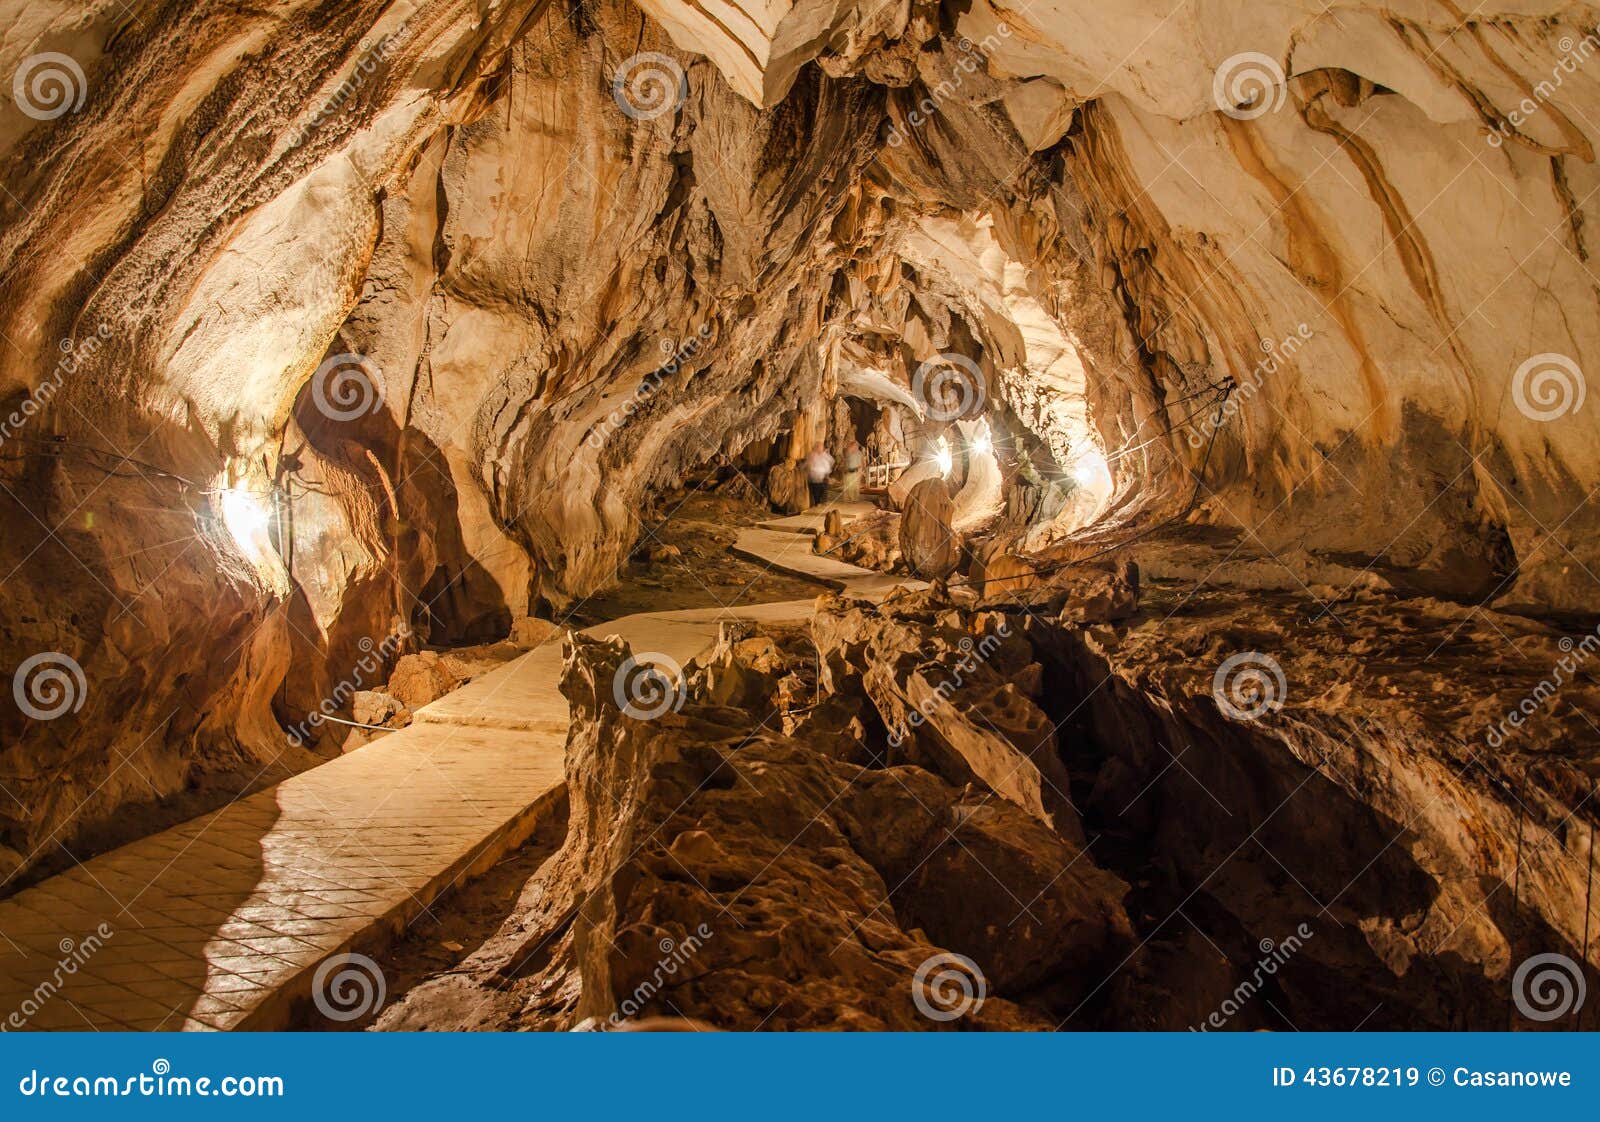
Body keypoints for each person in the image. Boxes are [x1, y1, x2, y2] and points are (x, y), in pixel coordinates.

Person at [804, 442, 834, 507]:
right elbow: (807, 464)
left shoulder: (825, 455)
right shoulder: (812, 455)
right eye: (818, 447)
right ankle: (817, 502)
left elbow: (831, 461)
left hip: (824, 476)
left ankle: (823, 501)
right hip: (815, 477)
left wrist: (828, 470)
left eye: (820, 447)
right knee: (816, 490)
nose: (819, 448)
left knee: (824, 489)